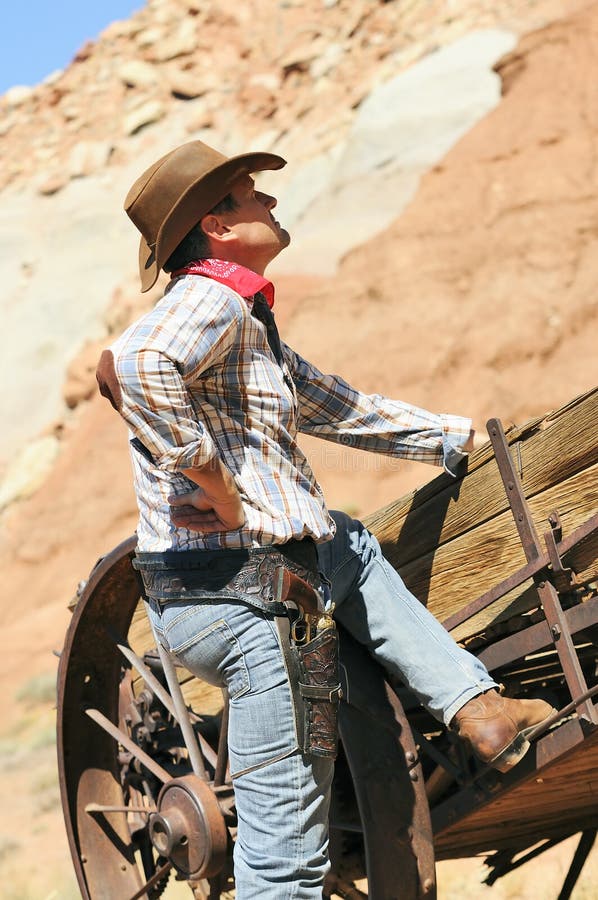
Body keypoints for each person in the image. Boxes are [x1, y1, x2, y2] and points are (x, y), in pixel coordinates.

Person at [97, 140, 553, 898]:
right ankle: (478, 710)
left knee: (345, 541)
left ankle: (480, 710)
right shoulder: (205, 301)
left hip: (245, 589)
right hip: (245, 607)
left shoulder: (243, 320)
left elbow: (336, 405)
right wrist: (210, 477)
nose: (272, 203)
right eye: (252, 196)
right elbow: (139, 360)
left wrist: (448, 437)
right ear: (217, 224)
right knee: (286, 857)